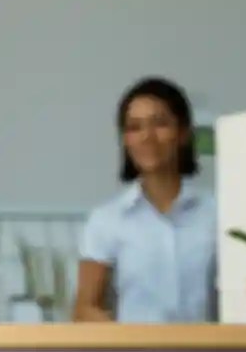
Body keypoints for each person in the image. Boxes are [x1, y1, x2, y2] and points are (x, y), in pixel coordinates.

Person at [73, 77, 217, 323]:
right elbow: (85, 308)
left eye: (160, 124)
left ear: (182, 133)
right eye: (134, 127)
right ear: (125, 140)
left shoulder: (217, 212)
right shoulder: (107, 220)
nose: (147, 136)